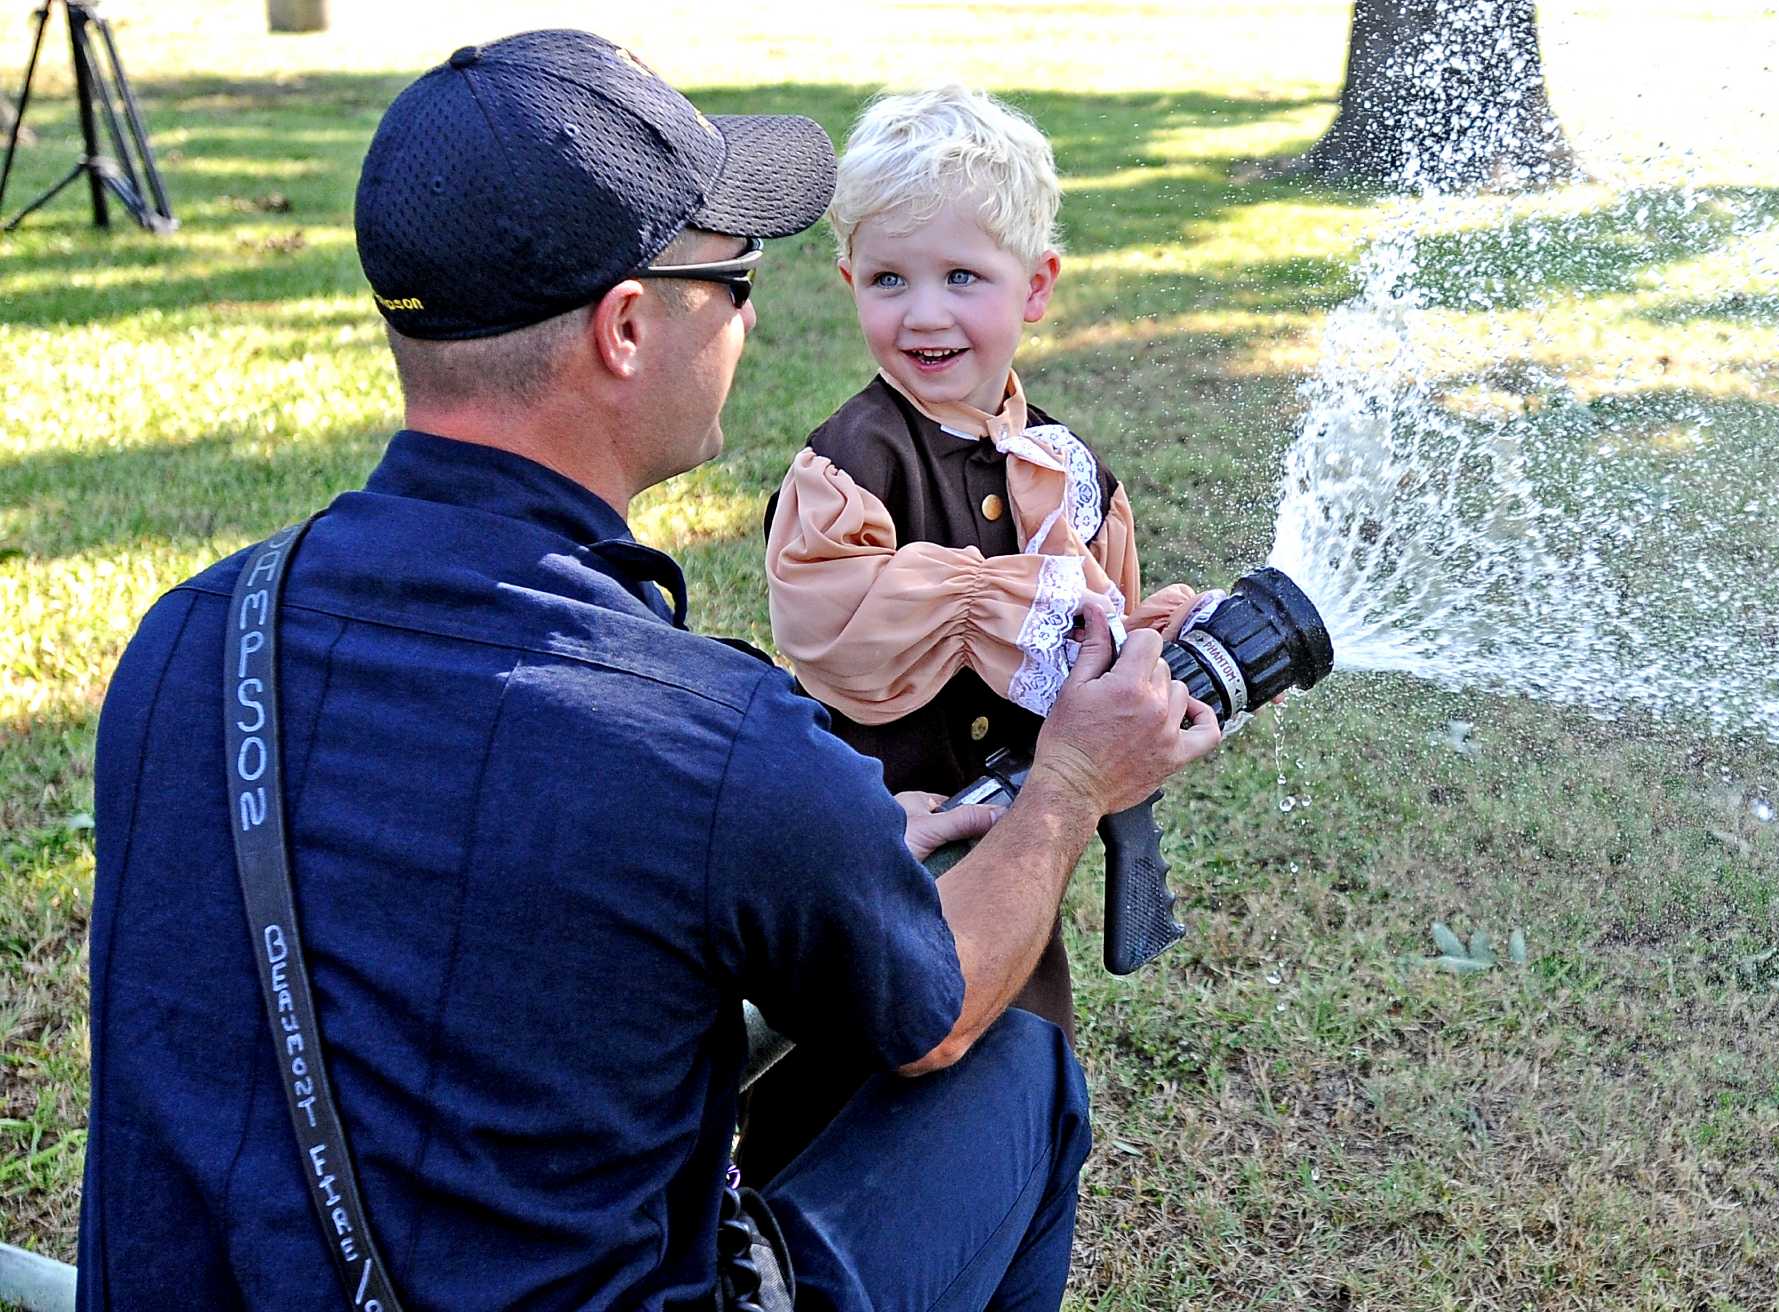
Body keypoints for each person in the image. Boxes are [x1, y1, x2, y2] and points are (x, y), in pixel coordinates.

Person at [79, 30, 1220, 1311]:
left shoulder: (190, 637)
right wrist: (1067, 782)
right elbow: (934, 1010)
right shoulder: (704, 735)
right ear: (629, 328)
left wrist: (812, 842)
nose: (749, 311)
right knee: (1013, 1073)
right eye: (733, 278)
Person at [747, 87, 1206, 1181]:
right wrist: (1005, 600)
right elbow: (838, 634)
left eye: (964, 277)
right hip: (880, 840)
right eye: (890, 279)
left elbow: (1097, 629)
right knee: (845, 1084)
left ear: (1035, 287)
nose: (925, 316)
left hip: (1012, 849)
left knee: (1009, 1050)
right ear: (849, 280)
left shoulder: (1073, 468)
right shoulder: (847, 467)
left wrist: (1154, 638)